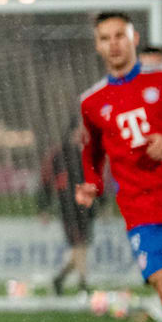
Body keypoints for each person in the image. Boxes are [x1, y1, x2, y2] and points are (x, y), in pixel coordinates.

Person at [76, 12, 162, 322]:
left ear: (134, 38)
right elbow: (92, 151)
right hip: (145, 213)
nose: (114, 44)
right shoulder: (92, 102)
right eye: (106, 38)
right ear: (97, 46)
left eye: (119, 36)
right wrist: (92, 184)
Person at [37, 116, 96, 296]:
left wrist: (103, 203)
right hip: (68, 208)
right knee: (78, 245)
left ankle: (59, 279)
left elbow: (97, 180)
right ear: (71, 132)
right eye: (79, 130)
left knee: (81, 247)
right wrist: (43, 207)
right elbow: (45, 181)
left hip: (87, 207)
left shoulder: (89, 153)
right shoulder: (58, 154)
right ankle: (83, 285)